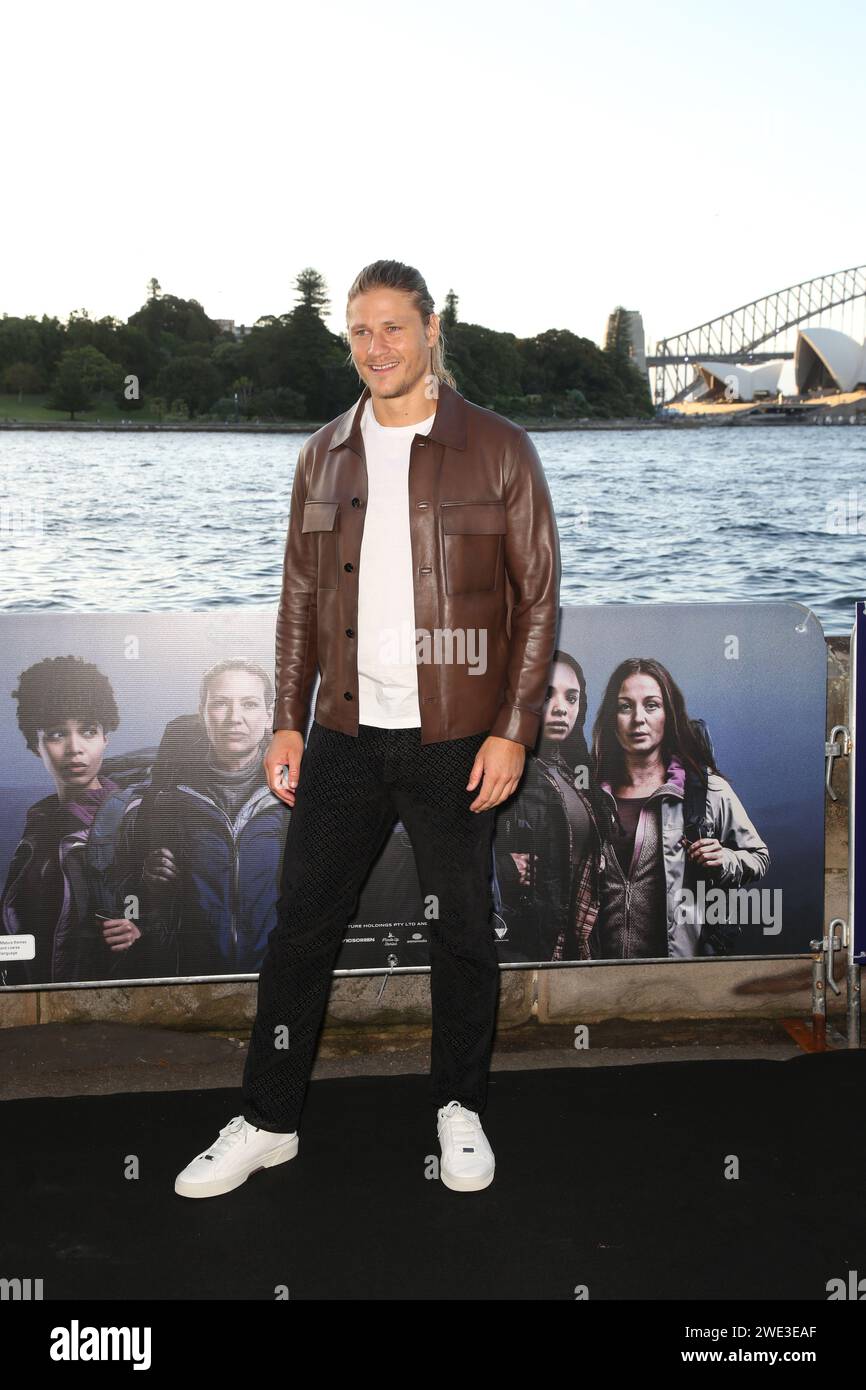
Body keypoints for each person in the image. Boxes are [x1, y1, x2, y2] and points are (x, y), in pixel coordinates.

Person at [175, 258, 561, 1198]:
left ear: (431, 330)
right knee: (301, 933)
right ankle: (268, 1120)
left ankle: (459, 1109)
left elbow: (539, 598)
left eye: (393, 327)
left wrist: (513, 730)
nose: (375, 347)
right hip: (344, 735)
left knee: (463, 931)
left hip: (458, 739)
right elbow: (299, 600)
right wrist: (286, 721)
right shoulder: (323, 453)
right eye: (358, 330)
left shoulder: (500, 448)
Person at [588, 657, 770, 959]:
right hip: (596, 974)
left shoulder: (705, 790)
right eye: (625, 706)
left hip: (679, 971)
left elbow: (759, 858)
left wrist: (723, 858)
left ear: (668, 715)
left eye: (651, 705)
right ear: (611, 716)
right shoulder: (590, 794)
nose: (638, 719)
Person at [1, 656, 146, 986]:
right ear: (34, 745)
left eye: (88, 731)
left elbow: (184, 914)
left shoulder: (137, 819)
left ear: (106, 737)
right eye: (55, 734)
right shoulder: (38, 831)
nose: (75, 749)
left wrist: (142, 929)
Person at [494, 650, 611, 961]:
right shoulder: (508, 764)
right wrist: (502, 862)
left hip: (575, 937)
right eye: (547, 696)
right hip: (526, 939)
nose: (562, 709)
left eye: (571, 698)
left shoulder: (576, 772)